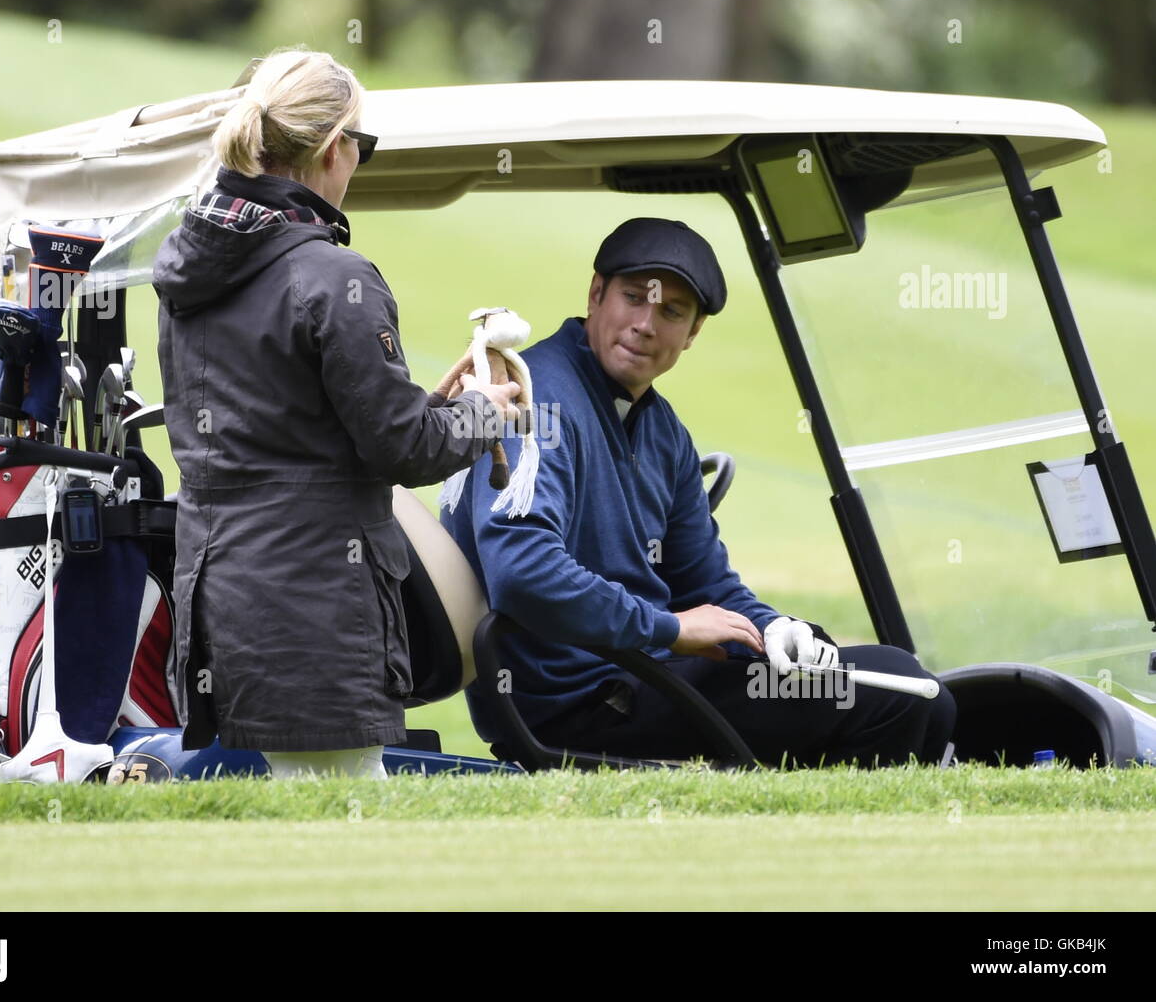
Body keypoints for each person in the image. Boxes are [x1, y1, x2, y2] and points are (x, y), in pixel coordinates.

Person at [442, 217, 956, 767]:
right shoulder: (535, 400)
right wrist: (669, 628)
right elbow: (523, 573)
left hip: (646, 675)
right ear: (596, 294)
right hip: (582, 703)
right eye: (634, 297)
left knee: (892, 680)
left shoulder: (663, 431)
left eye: (671, 312)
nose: (645, 324)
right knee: (898, 696)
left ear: (692, 334)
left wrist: (775, 628)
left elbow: (704, 582)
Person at [153, 48, 518, 779]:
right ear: (330, 149)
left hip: (224, 593)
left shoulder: (188, 268)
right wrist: (484, 411)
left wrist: (438, 406)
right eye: (363, 146)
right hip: (317, 602)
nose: (359, 163)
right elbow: (405, 451)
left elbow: (300, 427)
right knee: (352, 826)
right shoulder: (334, 276)